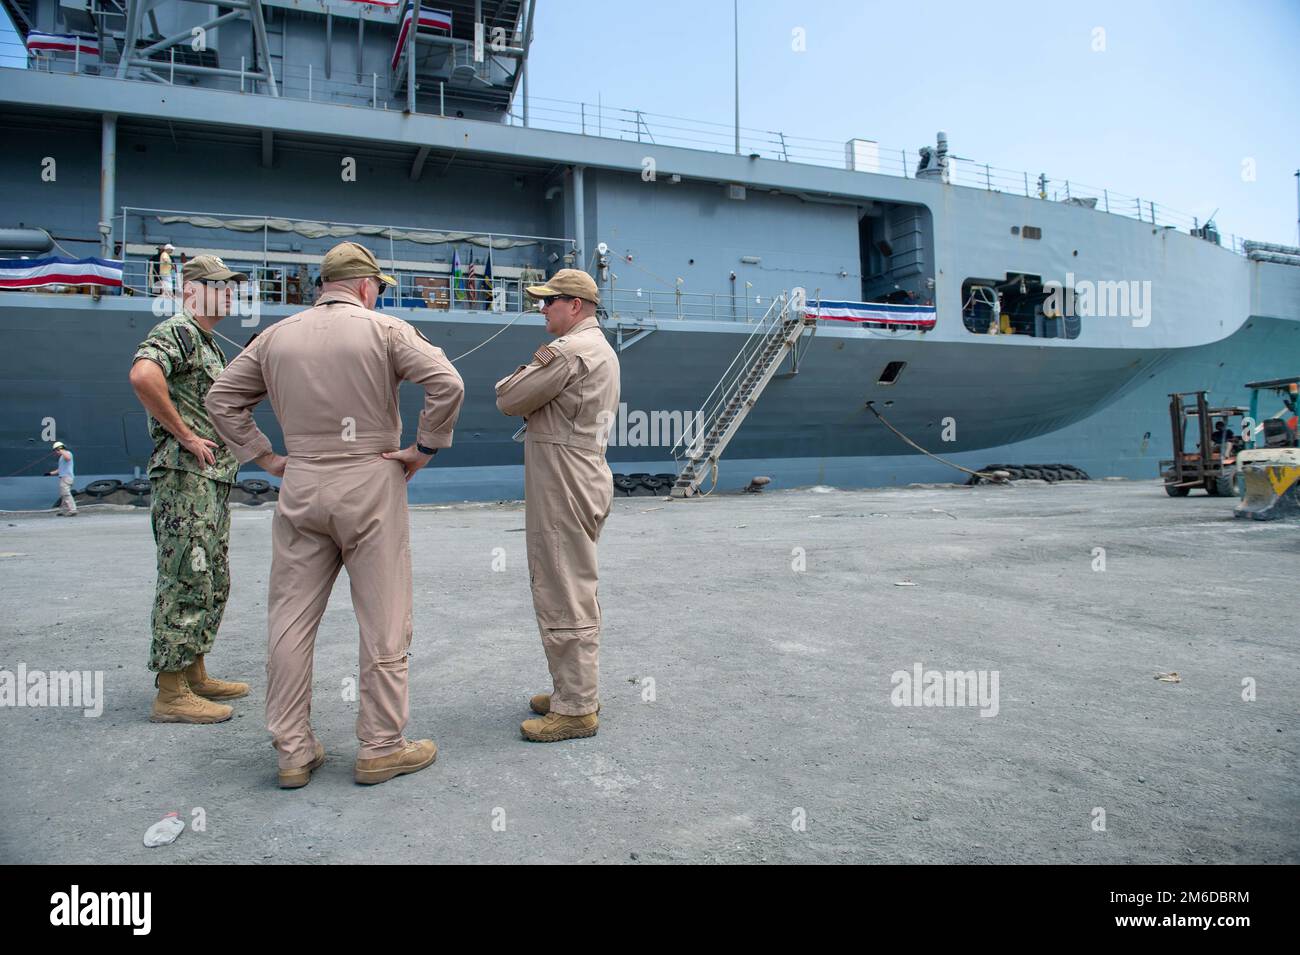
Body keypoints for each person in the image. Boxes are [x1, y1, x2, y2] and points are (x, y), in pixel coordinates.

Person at [205, 241, 465, 789]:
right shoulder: (386, 330)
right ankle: (380, 747)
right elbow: (447, 382)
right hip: (371, 478)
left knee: (291, 621)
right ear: (368, 286)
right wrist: (424, 448)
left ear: (323, 285)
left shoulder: (275, 337)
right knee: (383, 617)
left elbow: (221, 398)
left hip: (301, 480)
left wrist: (264, 456)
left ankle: (293, 752)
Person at [495, 268, 621, 743]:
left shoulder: (572, 351)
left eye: (550, 300)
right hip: (580, 472)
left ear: (576, 305)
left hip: (564, 480)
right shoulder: (597, 348)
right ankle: (573, 687)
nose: (542, 308)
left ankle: (576, 708)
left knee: (563, 586)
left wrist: (525, 393)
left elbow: (509, 396)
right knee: (572, 582)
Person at [129, 254, 252, 725]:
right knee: (185, 573)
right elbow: (143, 375)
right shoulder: (177, 331)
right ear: (189, 290)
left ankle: (194, 669)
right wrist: (182, 433)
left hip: (211, 478)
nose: (227, 293)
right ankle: (171, 691)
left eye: (230, 286)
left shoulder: (209, 343)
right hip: (184, 475)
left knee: (212, 575)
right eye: (217, 286)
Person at [45, 441, 76, 516]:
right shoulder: (62, 458)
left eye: (56, 450)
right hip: (64, 478)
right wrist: (50, 473)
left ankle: (73, 510)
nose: (55, 452)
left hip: (66, 478)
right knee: (63, 495)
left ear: (59, 449)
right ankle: (63, 511)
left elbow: (68, 458)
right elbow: (60, 469)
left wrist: (61, 450)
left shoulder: (68, 453)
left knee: (66, 494)